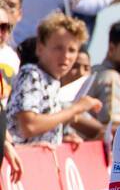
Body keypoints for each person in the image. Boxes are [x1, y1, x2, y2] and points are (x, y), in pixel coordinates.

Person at [5, 13, 101, 145]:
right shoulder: (31, 74)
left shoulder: (53, 81)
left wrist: (62, 138)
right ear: (40, 48)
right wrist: (75, 109)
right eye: (58, 48)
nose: (66, 56)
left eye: (72, 50)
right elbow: (29, 126)